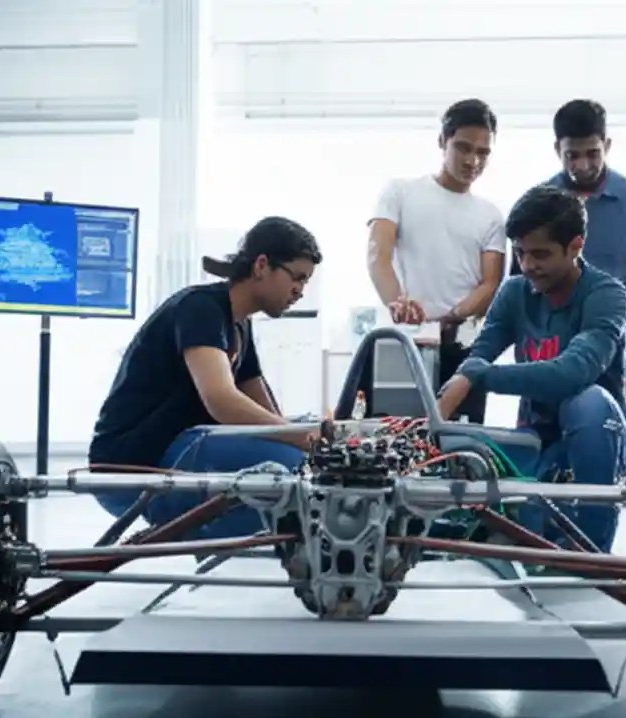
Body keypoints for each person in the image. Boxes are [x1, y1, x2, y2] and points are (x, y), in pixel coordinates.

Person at [435, 184, 626, 553]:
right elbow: (481, 353)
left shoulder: (608, 295)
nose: (527, 265)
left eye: (540, 254)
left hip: (603, 442)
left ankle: (593, 557)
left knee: (586, 400)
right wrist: (436, 415)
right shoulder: (514, 292)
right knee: (467, 456)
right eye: (519, 253)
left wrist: (474, 377)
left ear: (575, 246)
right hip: (540, 441)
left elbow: (572, 373)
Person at [87, 216, 323, 537]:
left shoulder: (240, 323)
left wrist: (315, 436)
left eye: (305, 282)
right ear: (262, 265)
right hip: (135, 463)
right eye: (296, 277)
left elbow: (269, 416)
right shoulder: (200, 308)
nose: (299, 291)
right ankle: (178, 528)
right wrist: (304, 439)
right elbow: (221, 400)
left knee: (308, 453)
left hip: (178, 448)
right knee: (295, 471)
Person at [366, 98, 507, 423]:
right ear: (442, 141)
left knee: (461, 445)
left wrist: (451, 317)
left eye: (483, 153)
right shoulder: (400, 192)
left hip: (464, 350)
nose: (473, 160)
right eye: (463, 148)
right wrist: (397, 303)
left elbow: (490, 284)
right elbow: (378, 255)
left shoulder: (490, 216)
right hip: (404, 343)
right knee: (396, 439)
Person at [509, 99, 626, 377]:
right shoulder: (535, 202)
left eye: (593, 153)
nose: (583, 165)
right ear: (558, 149)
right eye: (572, 155)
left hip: (610, 332)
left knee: (604, 412)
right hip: (548, 336)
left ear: (607, 145)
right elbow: (518, 277)